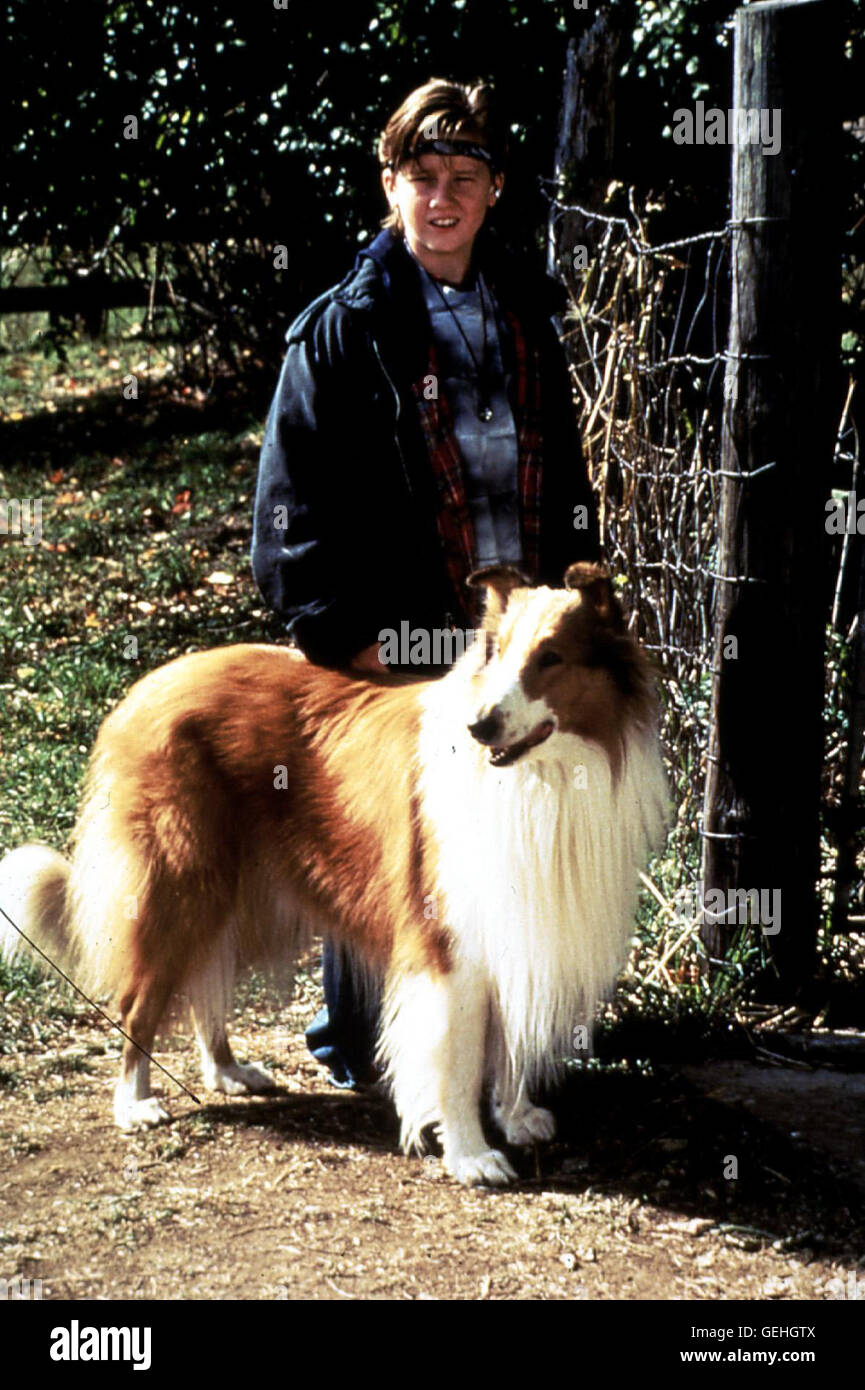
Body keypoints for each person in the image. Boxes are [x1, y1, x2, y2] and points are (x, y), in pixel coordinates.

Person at [251, 77, 601, 1088]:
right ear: (389, 186)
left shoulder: (525, 316)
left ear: (492, 191)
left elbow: (566, 476)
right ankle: (360, 1037)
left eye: (462, 177)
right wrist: (339, 632)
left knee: (509, 853)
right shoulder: (341, 328)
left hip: (506, 646)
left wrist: (570, 594)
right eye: (419, 177)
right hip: (394, 645)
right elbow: (287, 505)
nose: (440, 198)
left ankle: (495, 1050)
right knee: (390, 866)